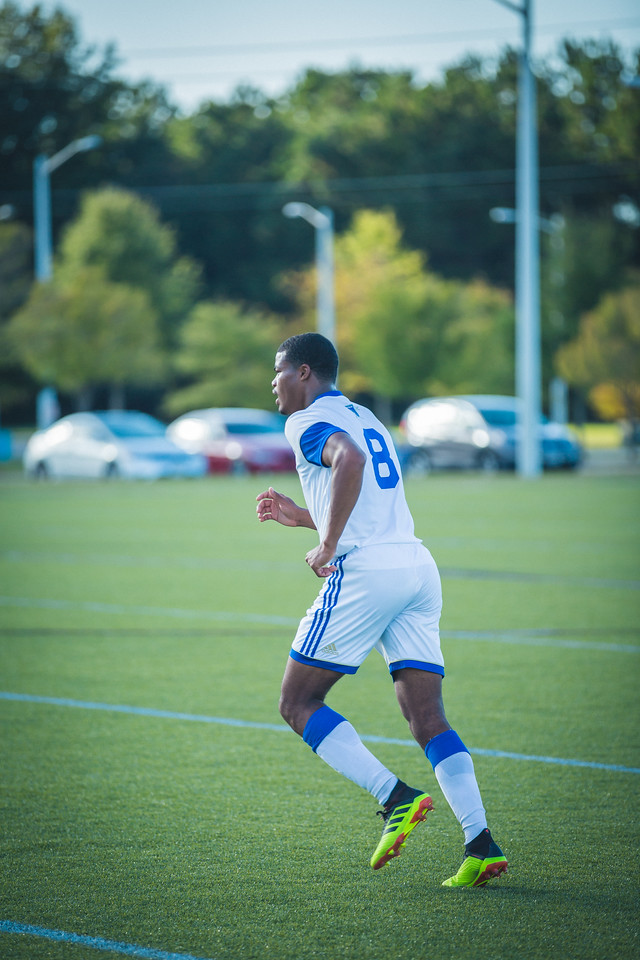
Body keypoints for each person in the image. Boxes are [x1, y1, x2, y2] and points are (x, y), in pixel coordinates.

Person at [256, 332, 507, 886]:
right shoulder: (363, 414)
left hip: (367, 572)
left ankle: (394, 798)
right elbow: (361, 486)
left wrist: (326, 545)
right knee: (427, 718)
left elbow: (348, 463)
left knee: (297, 702)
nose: (271, 383)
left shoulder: (304, 423)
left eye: (277, 371)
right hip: (415, 566)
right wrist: (301, 515)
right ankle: (481, 844)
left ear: (303, 373)